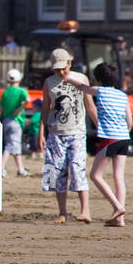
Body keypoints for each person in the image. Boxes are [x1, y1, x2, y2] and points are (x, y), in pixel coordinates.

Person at [62, 62, 130, 227]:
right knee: (118, 177)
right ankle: (119, 220)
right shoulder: (123, 95)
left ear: (98, 79)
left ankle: (118, 207)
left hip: (109, 138)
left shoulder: (100, 91)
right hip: (124, 138)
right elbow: (130, 121)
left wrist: (69, 80)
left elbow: (83, 87)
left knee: (95, 175)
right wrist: (123, 131)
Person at [37, 48, 97, 224]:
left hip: (77, 133)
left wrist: (101, 128)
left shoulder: (81, 79)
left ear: (69, 63)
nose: (61, 72)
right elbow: (45, 109)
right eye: (57, 69)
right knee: (57, 174)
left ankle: (85, 211)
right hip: (55, 134)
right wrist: (41, 132)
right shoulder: (49, 82)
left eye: (63, 68)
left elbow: (90, 106)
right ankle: (62, 213)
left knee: (78, 171)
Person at [0, 68, 32, 177]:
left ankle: (21, 169)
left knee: (15, 146)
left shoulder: (5, 92)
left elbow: (0, 109)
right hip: (16, 121)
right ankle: (1, 168)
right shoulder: (21, 91)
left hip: (6, 121)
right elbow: (28, 100)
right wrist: (20, 108)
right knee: (9, 146)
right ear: (19, 79)